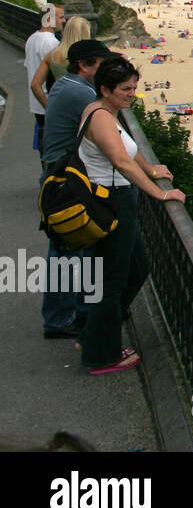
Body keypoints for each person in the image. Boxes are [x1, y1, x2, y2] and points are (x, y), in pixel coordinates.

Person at [78, 57, 186, 374]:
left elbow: (130, 150)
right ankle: (101, 355)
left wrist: (151, 169)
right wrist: (160, 192)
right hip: (109, 203)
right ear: (105, 89)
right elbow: (121, 163)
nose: (132, 94)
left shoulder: (108, 112)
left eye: (134, 87)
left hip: (117, 201)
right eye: (125, 89)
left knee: (138, 268)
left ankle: (94, 334)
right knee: (111, 281)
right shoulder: (99, 117)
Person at [39, 39, 120, 339]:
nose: (109, 70)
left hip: (59, 174)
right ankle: (60, 319)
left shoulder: (66, 84)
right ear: (86, 66)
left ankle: (74, 312)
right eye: (103, 63)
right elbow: (107, 122)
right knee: (68, 250)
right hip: (67, 181)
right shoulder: (80, 93)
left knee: (71, 249)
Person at [26, 3, 66, 157]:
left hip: (36, 105)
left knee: (46, 150)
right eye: (60, 17)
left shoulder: (31, 39)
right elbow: (58, 75)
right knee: (56, 152)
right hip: (48, 103)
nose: (63, 21)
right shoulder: (52, 43)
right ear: (49, 19)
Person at [29, 15, 91, 112]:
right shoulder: (86, 55)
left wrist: (48, 108)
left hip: (60, 104)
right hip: (84, 104)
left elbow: (35, 85)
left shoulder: (52, 55)